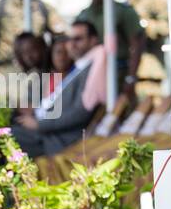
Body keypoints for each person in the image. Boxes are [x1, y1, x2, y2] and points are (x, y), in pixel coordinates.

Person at [10, 20, 103, 158]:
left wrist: (39, 124)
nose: (72, 45)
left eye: (78, 39)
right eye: (70, 39)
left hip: (56, 139)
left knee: (1, 137)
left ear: (93, 41)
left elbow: (79, 112)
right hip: (45, 131)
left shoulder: (92, 63)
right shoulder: (77, 69)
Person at [75, 0, 145, 101]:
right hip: (91, 72)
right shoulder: (84, 15)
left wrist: (131, 76)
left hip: (119, 71)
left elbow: (137, 43)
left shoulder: (123, 12)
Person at [118, 0, 168, 93]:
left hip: (148, 73)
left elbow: (169, 27)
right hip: (129, 71)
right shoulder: (128, 2)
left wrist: (144, 25)